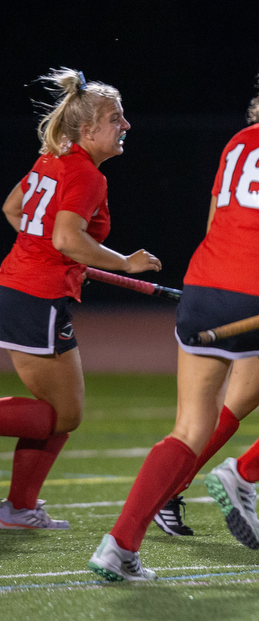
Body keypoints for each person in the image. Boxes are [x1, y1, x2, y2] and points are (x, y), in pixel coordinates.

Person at [89, 24, 259, 581]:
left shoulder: (238, 141)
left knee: (189, 428)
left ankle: (119, 546)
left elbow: (215, 221)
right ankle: (244, 473)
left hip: (204, 287)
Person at [0, 69, 161, 530]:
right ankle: (18, 507)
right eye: (116, 118)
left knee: (59, 415)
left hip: (20, 290)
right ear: (88, 131)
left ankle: (19, 508)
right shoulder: (86, 175)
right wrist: (123, 262)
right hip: (36, 297)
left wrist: (56, 254)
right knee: (65, 414)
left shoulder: (50, 161)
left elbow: (15, 211)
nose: (126, 125)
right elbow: (69, 238)